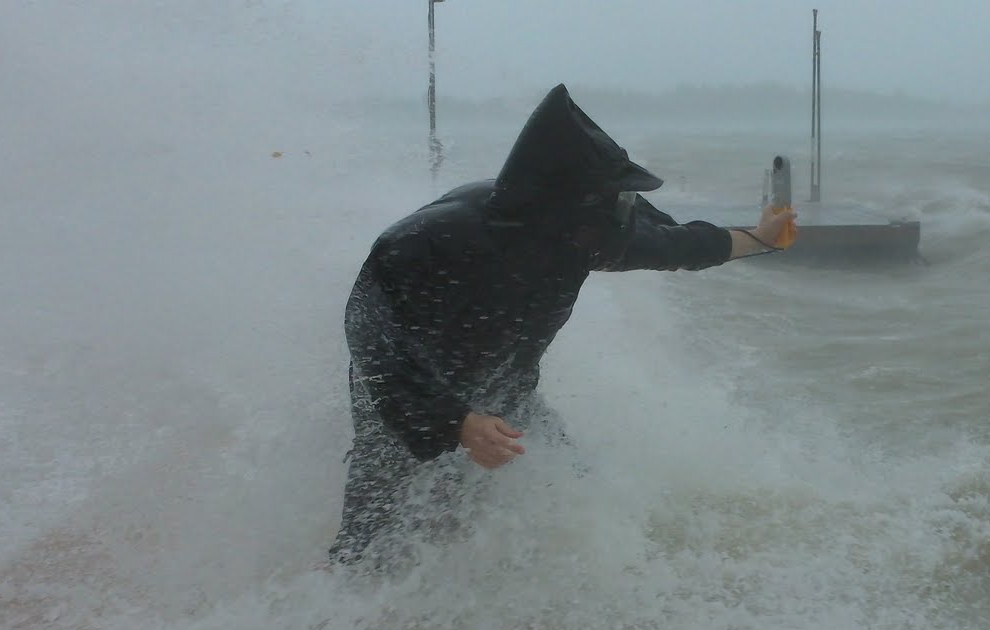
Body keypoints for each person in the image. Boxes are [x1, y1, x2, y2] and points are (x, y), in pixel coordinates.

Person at [327, 84, 794, 568]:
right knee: (370, 545)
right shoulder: (427, 241)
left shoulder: (586, 235)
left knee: (571, 485)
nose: (617, 222)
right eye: (606, 206)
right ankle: (340, 596)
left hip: (506, 386)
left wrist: (758, 239)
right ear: (557, 208)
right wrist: (455, 422)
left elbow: (675, 244)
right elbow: (374, 348)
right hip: (403, 394)